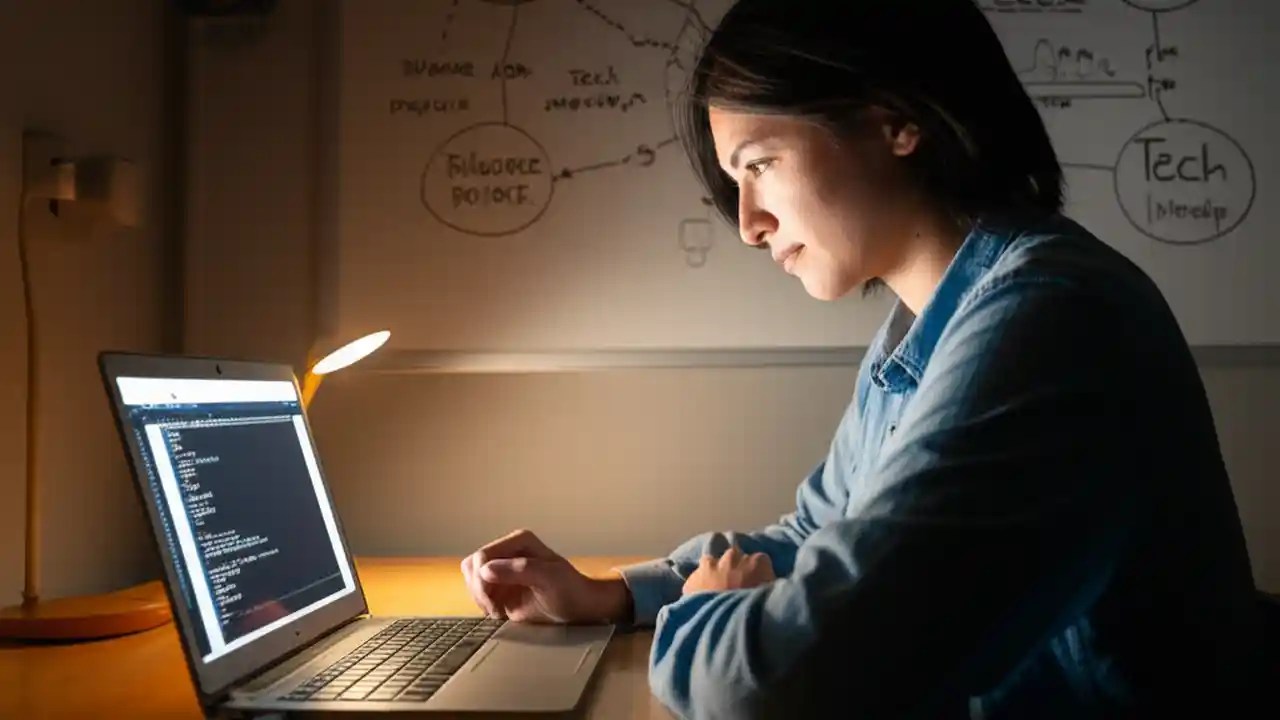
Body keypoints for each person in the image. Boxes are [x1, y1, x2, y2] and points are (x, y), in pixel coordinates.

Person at [460, 1, 1270, 717]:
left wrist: (707, 615)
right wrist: (611, 596)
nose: (748, 223)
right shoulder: (934, 323)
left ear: (897, 122)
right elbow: (819, 535)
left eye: (760, 165)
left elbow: (787, 684)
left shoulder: (1050, 320)